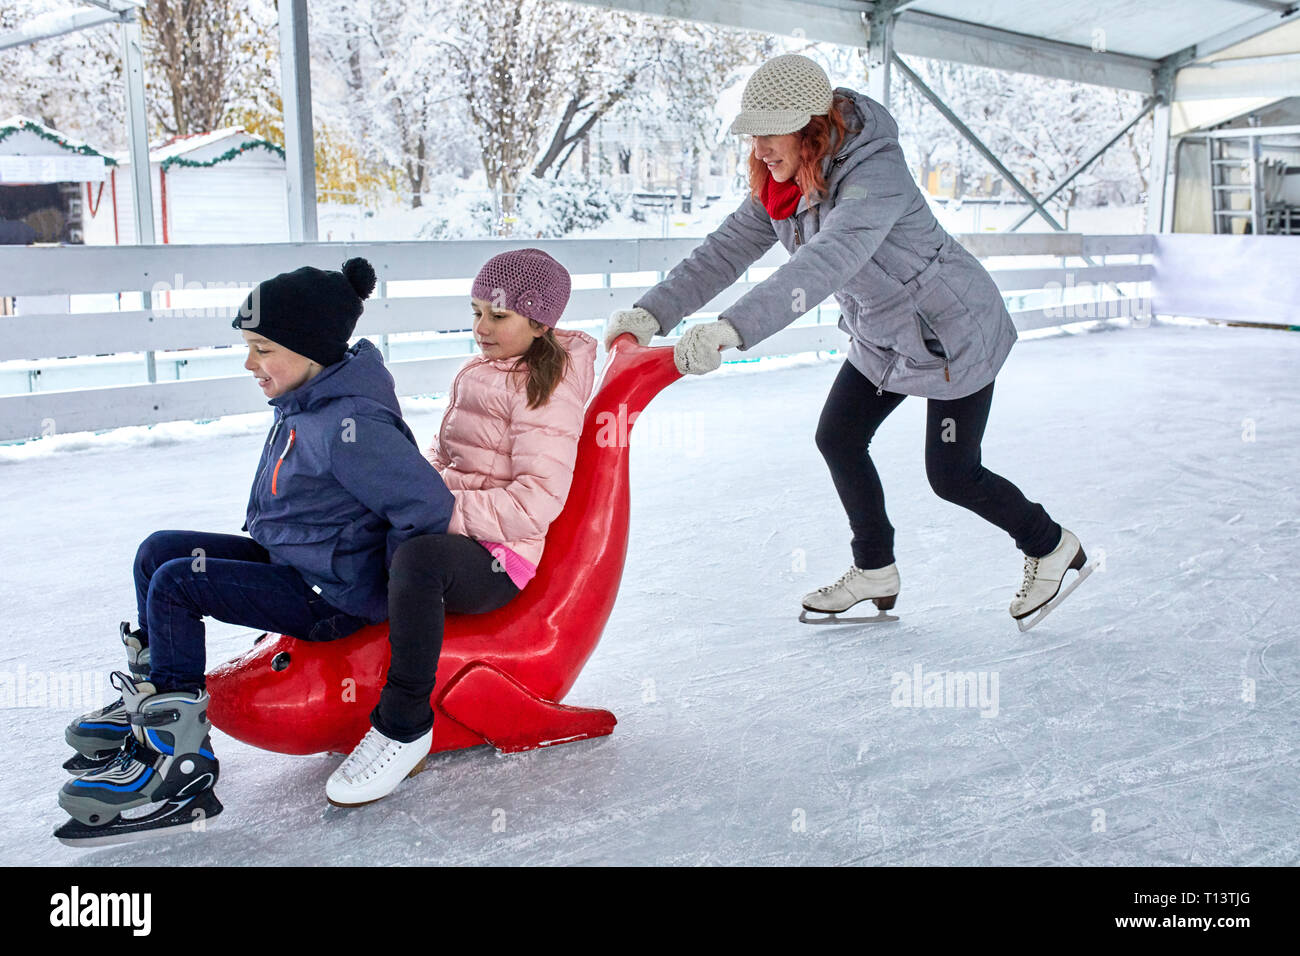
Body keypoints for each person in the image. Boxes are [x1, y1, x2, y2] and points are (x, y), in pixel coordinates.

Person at [604, 54, 1086, 626]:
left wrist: (733, 330)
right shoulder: (782, 184)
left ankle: (1050, 546)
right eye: (752, 133)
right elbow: (724, 250)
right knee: (838, 437)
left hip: (950, 334)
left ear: (809, 126)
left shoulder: (873, 175)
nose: (758, 147)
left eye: (768, 131)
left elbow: (825, 263)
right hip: (881, 335)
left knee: (953, 474)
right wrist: (650, 313)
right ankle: (875, 568)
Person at [56, 258, 455, 843]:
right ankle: (154, 703)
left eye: (263, 348)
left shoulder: (352, 421)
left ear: (310, 349)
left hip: (330, 595)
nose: (250, 363)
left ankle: (179, 764)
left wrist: (376, 592)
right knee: (159, 552)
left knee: (177, 584)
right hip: (295, 562)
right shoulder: (309, 396)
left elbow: (424, 508)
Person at [325, 248, 597, 807]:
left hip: (500, 557)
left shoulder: (548, 388)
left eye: (498, 316)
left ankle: (404, 726)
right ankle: (325, 657)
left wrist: (437, 507)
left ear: (539, 321)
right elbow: (449, 461)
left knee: (418, 561)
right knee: (359, 516)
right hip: (460, 527)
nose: (481, 328)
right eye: (475, 312)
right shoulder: (484, 370)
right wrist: (405, 485)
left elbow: (534, 503)